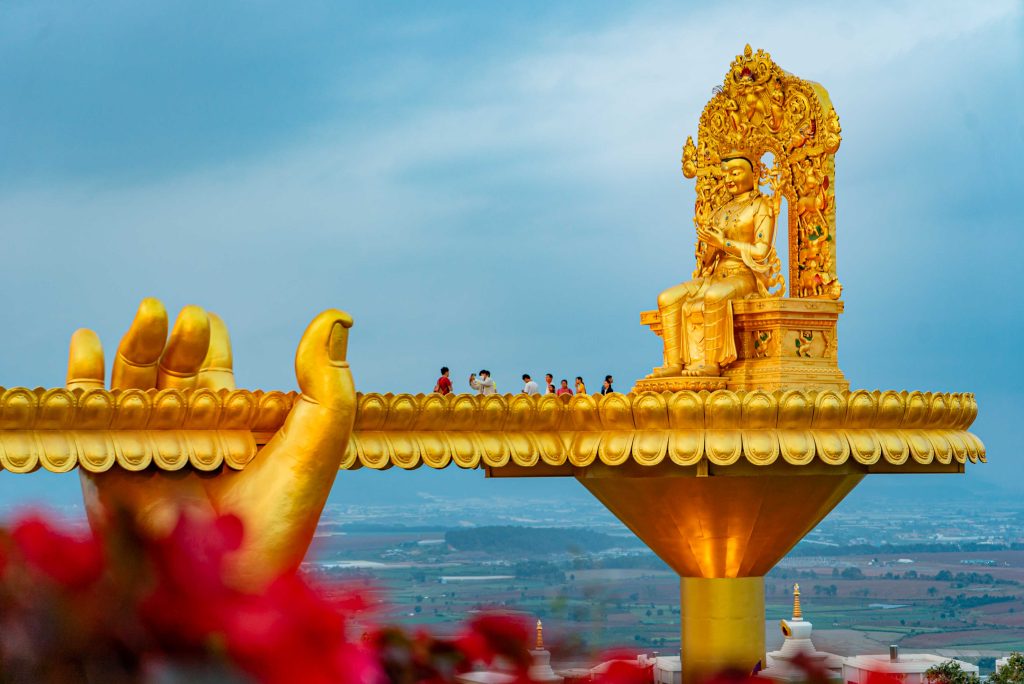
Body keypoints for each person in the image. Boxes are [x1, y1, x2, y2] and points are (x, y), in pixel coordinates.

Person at [649, 152, 782, 378]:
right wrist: (712, 245)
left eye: (735, 172)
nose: (729, 178)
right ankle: (673, 364)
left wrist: (724, 242)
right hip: (716, 275)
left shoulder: (761, 206)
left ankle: (711, 363)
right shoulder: (721, 210)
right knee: (667, 298)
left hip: (744, 275)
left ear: (754, 174)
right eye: (726, 174)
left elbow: (761, 252)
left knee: (714, 296)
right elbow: (707, 262)